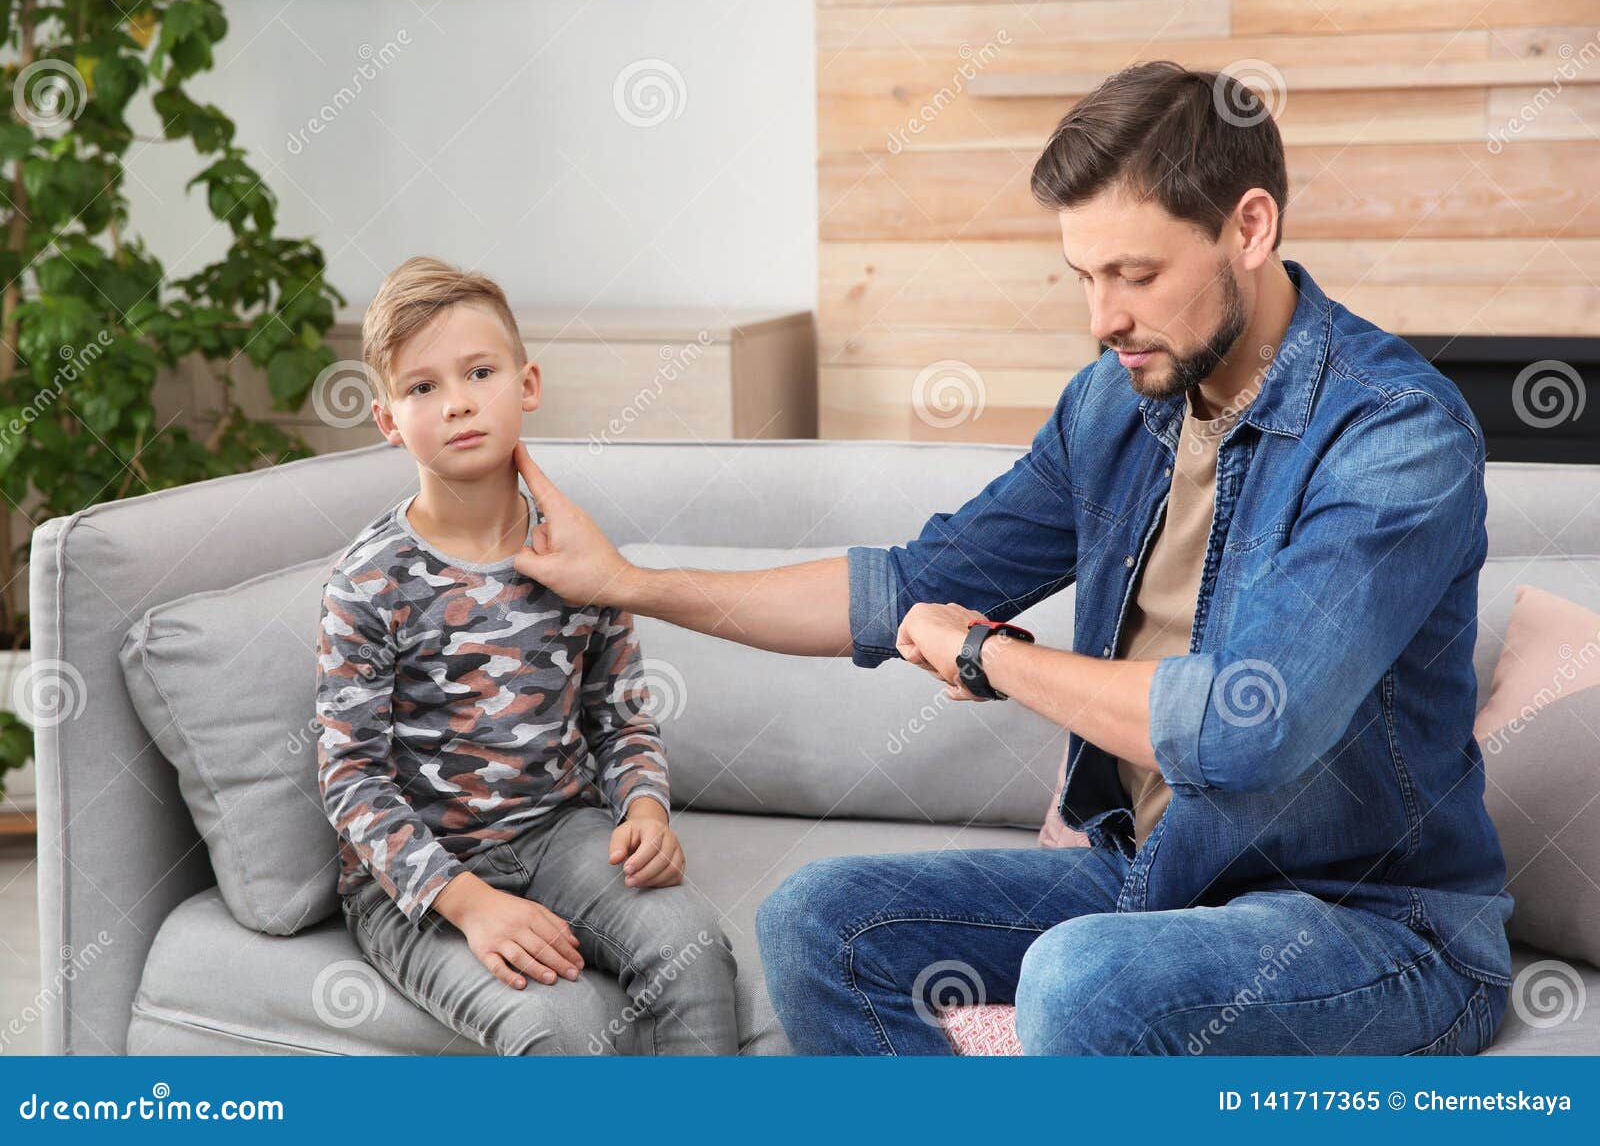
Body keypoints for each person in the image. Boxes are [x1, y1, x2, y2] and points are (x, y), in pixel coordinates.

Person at [505, 61, 1514, 1056]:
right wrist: (627, 581)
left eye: (1137, 274)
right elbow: (903, 588)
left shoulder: (1395, 432)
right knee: (817, 921)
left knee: (1084, 977)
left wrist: (990, 657)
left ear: (1249, 228)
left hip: (1375, 929)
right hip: (1154, 879)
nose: (1101, 318)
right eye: (1085, 276)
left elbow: (1252, 723)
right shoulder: (1116, 402)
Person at [313, 256, 738, 1055]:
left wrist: (644, 808)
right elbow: (350, 779)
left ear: (528, 383)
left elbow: (620, 716)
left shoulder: (575, 551)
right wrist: (469, 904)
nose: (460, 401)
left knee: (696, 954)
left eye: (479, 371)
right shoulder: (368, 580)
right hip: (416, 883)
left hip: (561, 831)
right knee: (558, 1031)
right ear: (387, 420)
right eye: (423, 387)